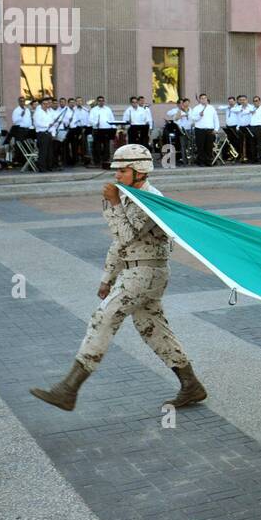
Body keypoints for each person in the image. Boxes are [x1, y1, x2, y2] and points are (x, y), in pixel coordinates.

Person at [30, 144, 207, 412]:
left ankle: (68, 389)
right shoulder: (129, 195)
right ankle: (191, 384)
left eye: (122, 171)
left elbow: (127, 235)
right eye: (117, 171)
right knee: (153, 329)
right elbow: (119, 244)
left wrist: (113, 203)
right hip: (137, 271)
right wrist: (107, 278)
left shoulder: (151, 200)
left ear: (140, 172)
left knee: (104, 317)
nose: (117, 176)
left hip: (146, 272)